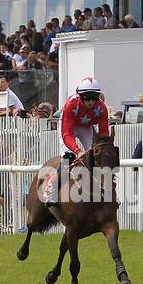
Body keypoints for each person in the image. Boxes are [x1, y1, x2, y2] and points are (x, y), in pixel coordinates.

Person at [43, 77, 110, 220]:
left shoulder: (102, 108)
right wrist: (78, 151)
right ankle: (52, 189)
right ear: (81, 97)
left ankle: (101, 190)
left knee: (95, 156)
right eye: (87, 98)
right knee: (68, 157)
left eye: (94, 98)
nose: (91, 102)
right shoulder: (71, 104)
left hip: (86, 127)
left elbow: (104, 135)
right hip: (69, 127)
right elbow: (67, 134)